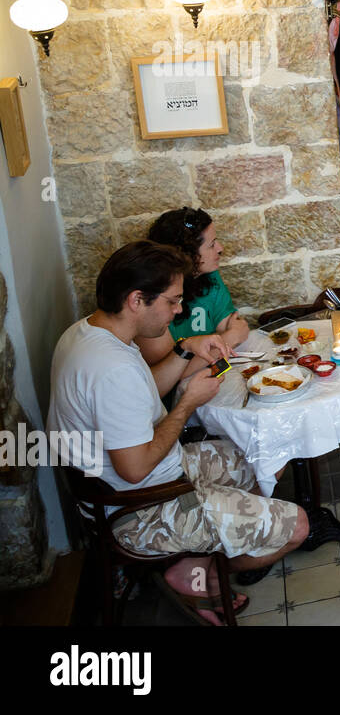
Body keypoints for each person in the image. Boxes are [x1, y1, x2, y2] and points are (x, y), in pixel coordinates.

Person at [47, 242, 308, 625]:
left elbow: (142, 392)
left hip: (145, 476)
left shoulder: (87, 333)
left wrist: (186, 349)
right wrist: (186, 403)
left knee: (260, 459)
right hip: (135, 508)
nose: (179, 310)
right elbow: (135, 468)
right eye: (171, 301)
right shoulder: (110, 368)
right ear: (137, 299)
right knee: (297, 527)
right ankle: (190, 575)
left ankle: (201, 554)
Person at [135, 208, 249, 374]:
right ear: (187, 255)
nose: (220, 248)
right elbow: (170, 374)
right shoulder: (153, 298)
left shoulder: (209, 276)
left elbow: (233, 325)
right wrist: (231, 337)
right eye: (211, 245)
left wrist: (229, 336)